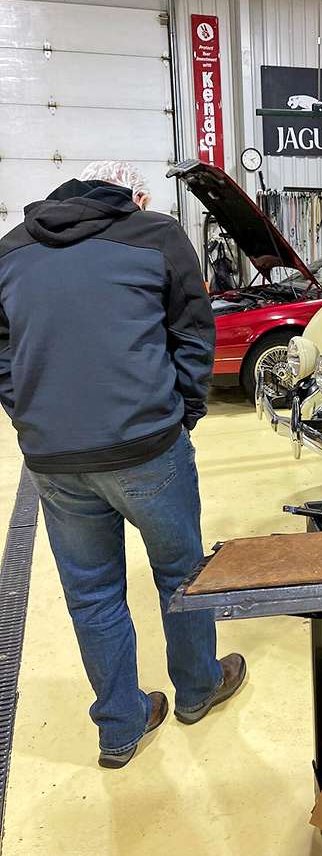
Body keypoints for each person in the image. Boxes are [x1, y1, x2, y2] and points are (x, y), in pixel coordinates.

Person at [0, 161, 246, 768]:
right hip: (147, 445)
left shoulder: (10, 249)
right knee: (182, 573)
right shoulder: (155, 233)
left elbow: (4, 356)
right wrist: (184, 413)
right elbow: (194, 332)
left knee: (91, 592)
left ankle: (120, 726)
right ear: (134, 195)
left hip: (53, 457)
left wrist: (29, 415)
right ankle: (197, 688)